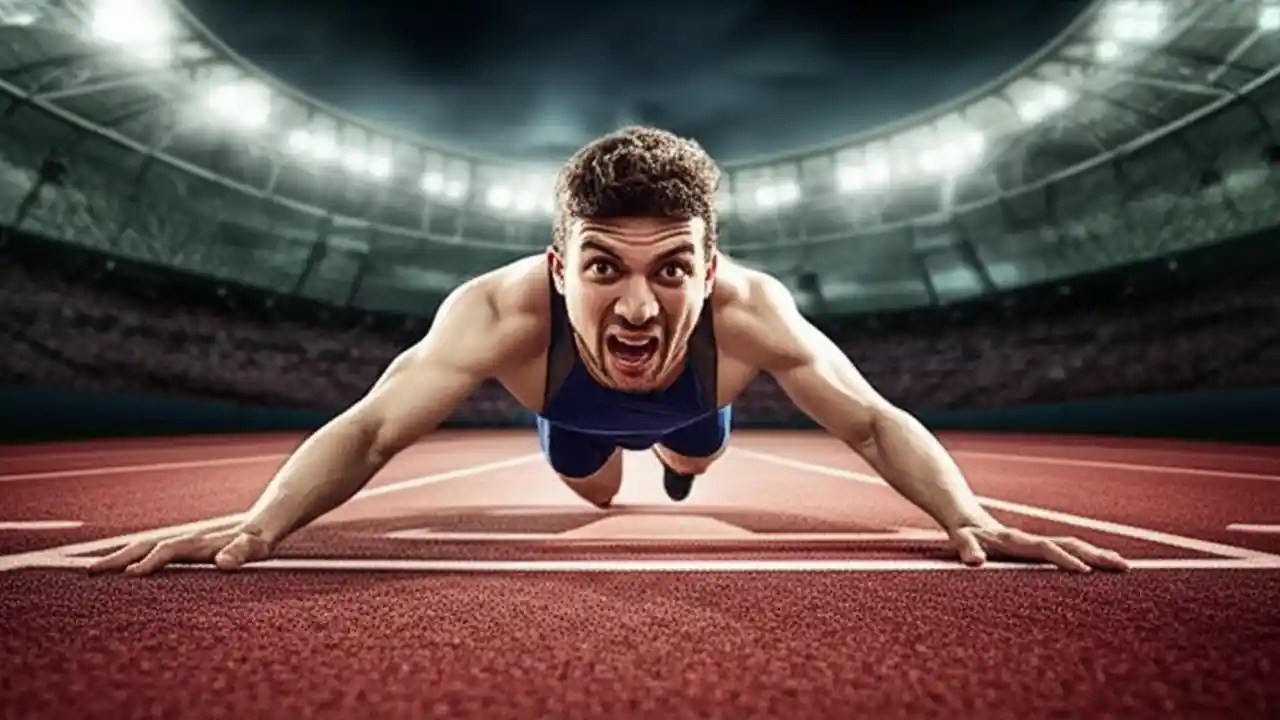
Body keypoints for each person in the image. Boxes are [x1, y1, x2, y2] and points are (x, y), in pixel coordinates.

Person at [89, 126, 1131, 577]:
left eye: (672, 269)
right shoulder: (495, 315)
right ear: (555, 265)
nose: (638, 304)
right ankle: (610, 455)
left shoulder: (752, 309)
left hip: (690, 409)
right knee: (590, 493)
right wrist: (264, 527)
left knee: (688, 458)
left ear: (711, 259)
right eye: (603, 269)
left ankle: (682, 467)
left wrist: (970, 519)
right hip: (572, 416)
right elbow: (369, 430)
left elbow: (865, 418)